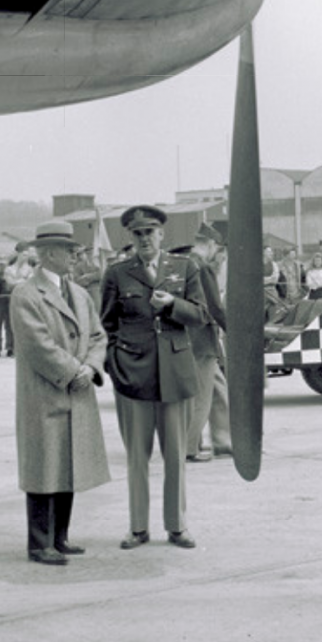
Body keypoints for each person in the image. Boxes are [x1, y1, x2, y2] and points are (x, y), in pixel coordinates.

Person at [101, 205, 207, 551]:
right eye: (138, 233)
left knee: (175, 454)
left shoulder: (184, 267)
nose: (144, 239)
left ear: (162, 234)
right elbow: (106, 324)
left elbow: (201, 315)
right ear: (130, 237)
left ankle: (177, 526)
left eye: (150, 232)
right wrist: (116, 362)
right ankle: (138, 527)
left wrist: (172, 304)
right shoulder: (117, 273)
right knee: (137, 456)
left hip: (174, 374)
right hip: (134, 374)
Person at [9, 220, 109, 565]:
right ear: (49, 253)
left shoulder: (79, 293)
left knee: (67, 465)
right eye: (69, 251)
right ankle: (39, 544)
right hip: (45, 394)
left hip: (76, 390)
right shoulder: (25, 294)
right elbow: (38, 346)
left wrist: (91, 368)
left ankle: (59, 537)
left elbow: (98, 336)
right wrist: (73, 371)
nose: (75, 256)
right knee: (43, 467)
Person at [185, 223, 231, 463]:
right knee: (202, 397)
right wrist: (231, 330)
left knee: (218, 389)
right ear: (211, 244)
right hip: (202, 340)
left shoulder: (186, 262)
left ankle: (224, 442)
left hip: (192, 339)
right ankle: (190, 447)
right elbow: (214, 306)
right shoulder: (202, 268)